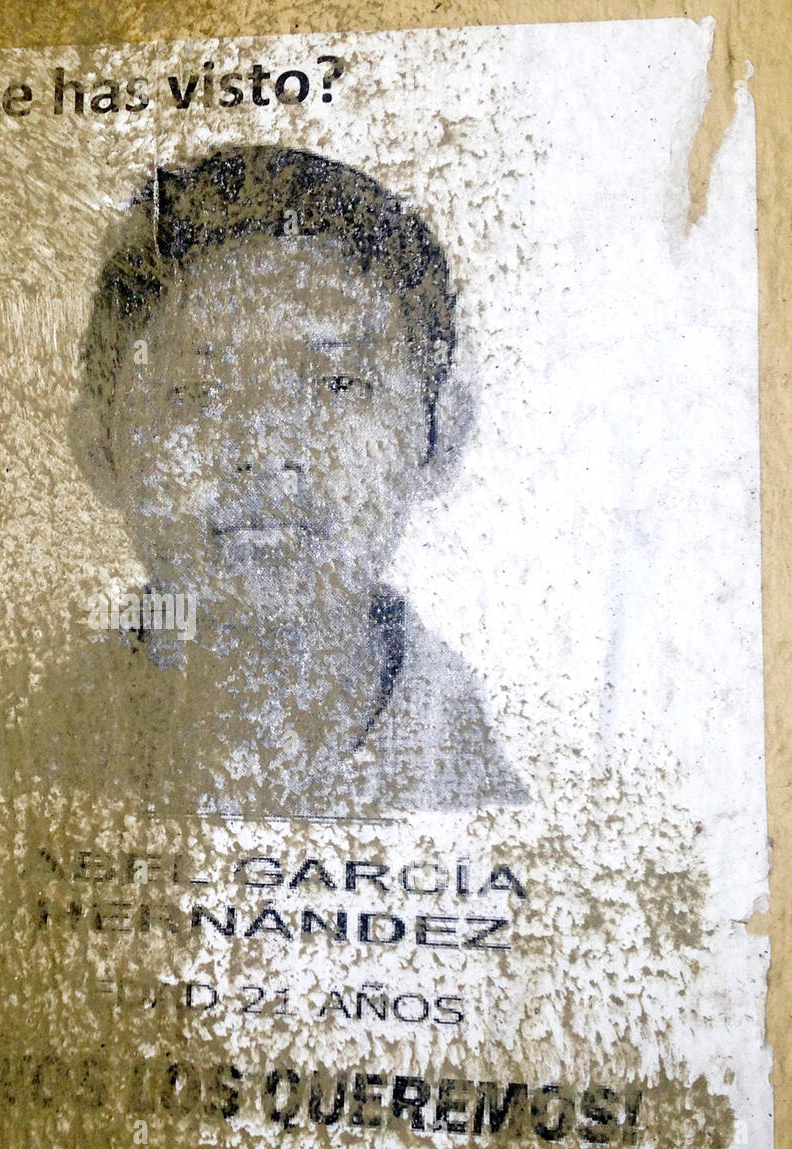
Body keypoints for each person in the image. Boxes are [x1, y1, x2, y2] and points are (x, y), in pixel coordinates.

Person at [31, 144, 526, 816]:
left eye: (338, 382)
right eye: (195, 390)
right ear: (99, 448)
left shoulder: (500, 786)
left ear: (441, 433)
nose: (265, 449)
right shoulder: (18, 752)